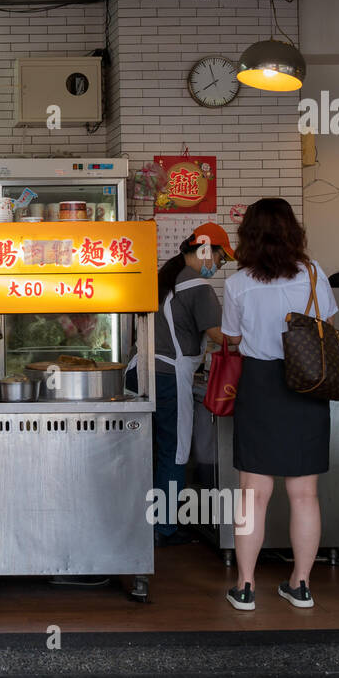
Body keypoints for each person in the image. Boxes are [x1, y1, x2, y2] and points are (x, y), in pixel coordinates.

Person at [220, 198, 339, 612]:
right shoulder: (313, 273)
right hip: (306, 382)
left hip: (260, 383)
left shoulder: (238, 284)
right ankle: (301, 585)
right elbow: (327, 327)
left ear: (248, 235)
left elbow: (232, 337)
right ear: (293, 232)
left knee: (253, 493)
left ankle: (245, 587)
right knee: (304, 493)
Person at [135, 222, 234, 546]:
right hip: (169, 376)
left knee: (149, 450)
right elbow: (220, 335)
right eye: (219, 258)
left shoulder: (166, 278)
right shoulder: (198, 286)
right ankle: (164, 528)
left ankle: (143, 524)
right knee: (175, 452)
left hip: (141, 372)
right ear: (205, 250)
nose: (218, 265)